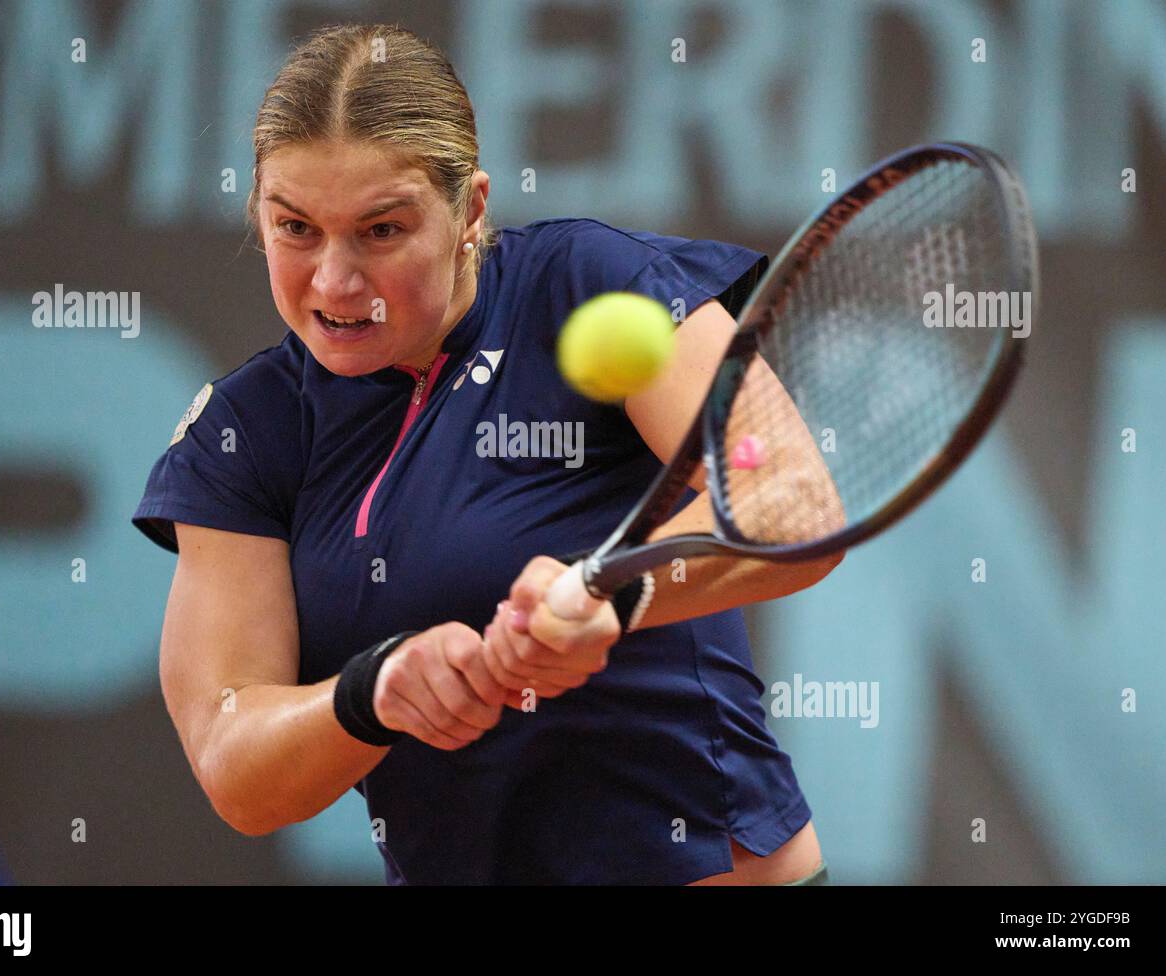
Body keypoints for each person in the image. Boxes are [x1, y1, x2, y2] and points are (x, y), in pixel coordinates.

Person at [132, 22, 841, 885]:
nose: (334, 281)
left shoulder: (590, 282)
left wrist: (613, 590)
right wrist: (371, 691)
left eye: (382, 230)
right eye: (296, 228)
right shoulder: (246, 434)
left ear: (470, 209)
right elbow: (236, 768)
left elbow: (795, 507)